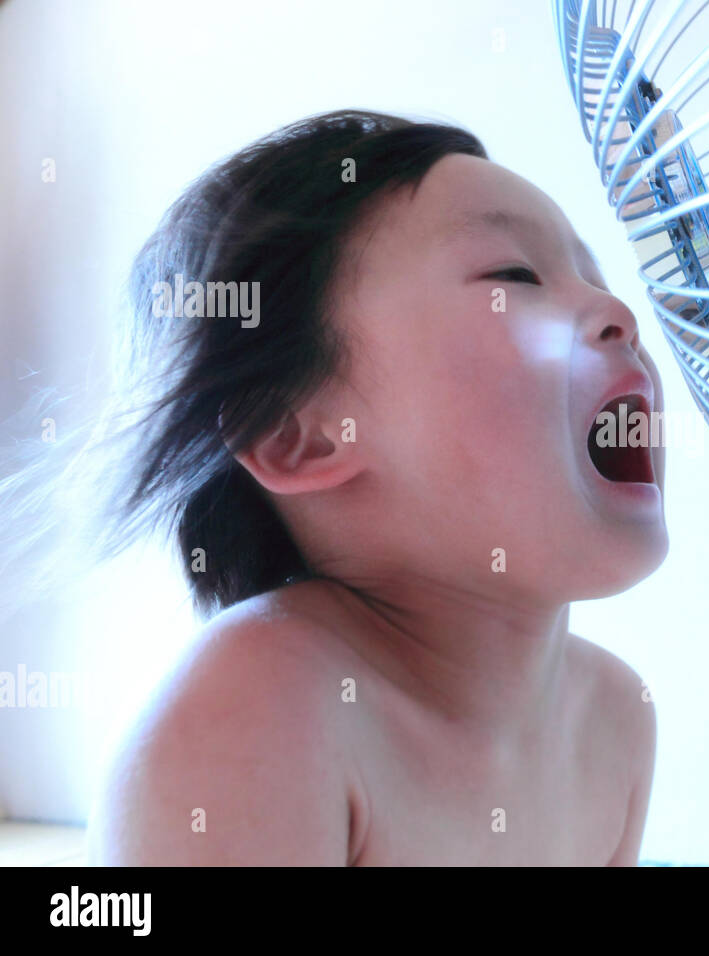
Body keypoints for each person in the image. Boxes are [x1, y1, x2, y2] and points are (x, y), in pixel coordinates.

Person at [85, 110, 667, 865]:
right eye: (514, 277)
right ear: (301, 437)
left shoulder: (615, 719)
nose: (619, 314)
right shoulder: (264, 710)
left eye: (594, 277)